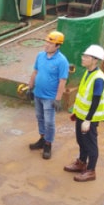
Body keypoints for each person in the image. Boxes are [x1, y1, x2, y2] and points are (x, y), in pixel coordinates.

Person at [64, 45, 104, 182]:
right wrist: (76, 113)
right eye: (83, 56)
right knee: (81, 140)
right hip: (81, 115)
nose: (83, 58)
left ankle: (91, 171)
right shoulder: (88, 72)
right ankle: (81, 162)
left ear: (95, 60)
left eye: (86, 57)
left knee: (90, 144)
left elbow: (95, 101)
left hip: (90, 118)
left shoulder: (98, 78)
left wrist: (88, 120)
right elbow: (83, 96)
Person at [27, 31, 69, 160]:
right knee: (40, 117)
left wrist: (58, 99)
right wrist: (30, 87)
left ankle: (48, 144)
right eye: (46, 42)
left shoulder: (62, 61)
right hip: (38, 94)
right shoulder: (40, 55)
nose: (46, 45)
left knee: (49, 122)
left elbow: (62, 81)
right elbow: (35, 72)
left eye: (50, 43)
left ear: (58, 46)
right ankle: (42, 138)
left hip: (50, 98)